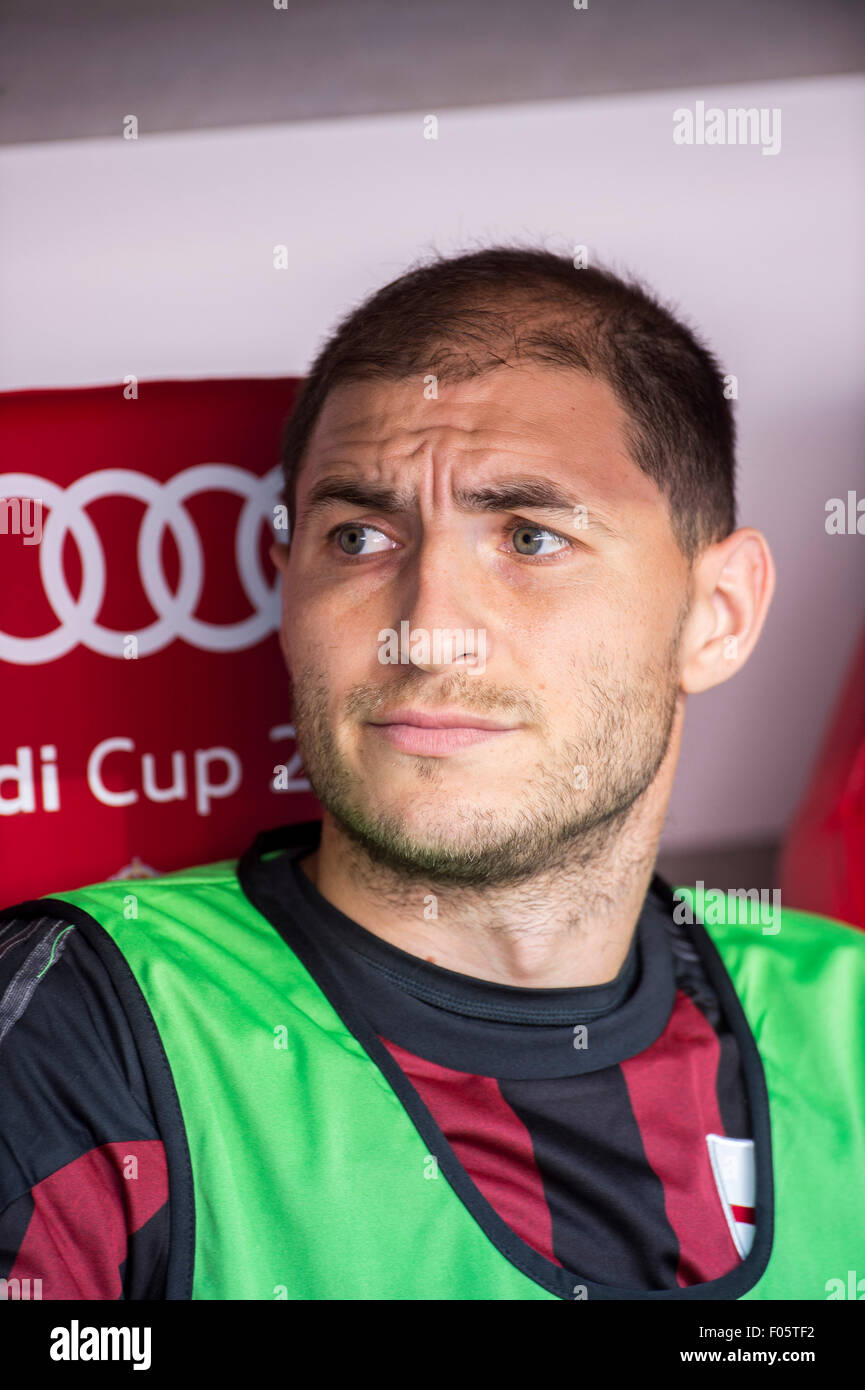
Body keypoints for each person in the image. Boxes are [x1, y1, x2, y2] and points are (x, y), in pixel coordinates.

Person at [2, 247, 863, 1302]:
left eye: (530, 535)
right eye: (359, 535)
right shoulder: (78, 1034)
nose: (426, 631)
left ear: (715, 614)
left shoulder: (844, 1018)